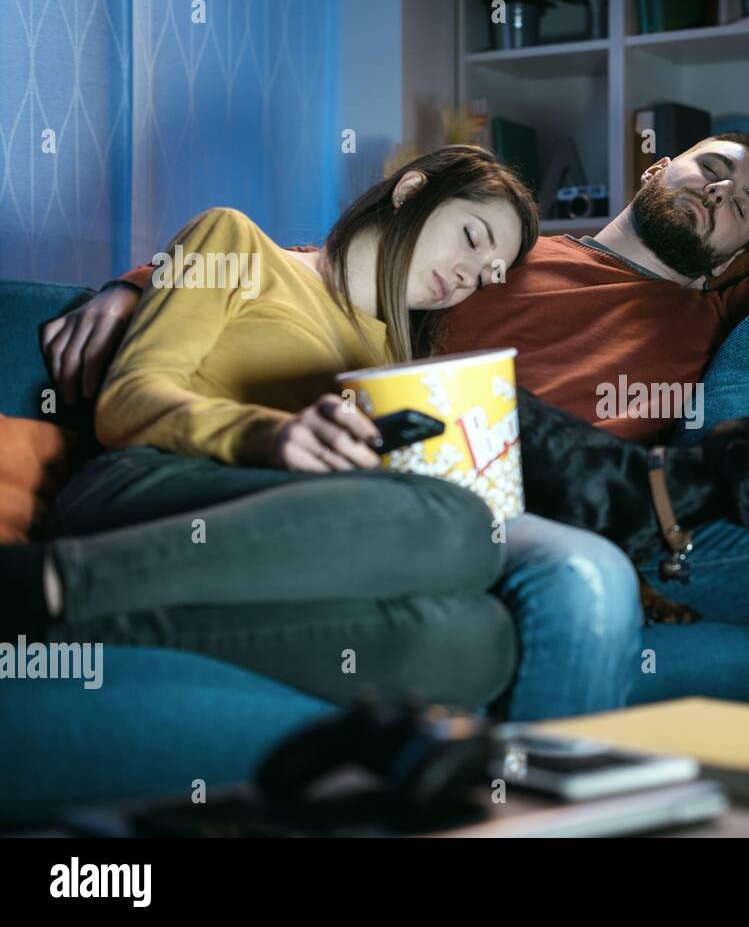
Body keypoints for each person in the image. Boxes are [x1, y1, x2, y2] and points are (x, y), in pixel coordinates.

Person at [37, 132, 749, 721]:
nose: (718, 196)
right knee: (567, 575)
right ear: (652, 166)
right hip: (498, 504)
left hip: (653, 523)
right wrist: (133, 286)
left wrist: (733, 251)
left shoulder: (719, 304)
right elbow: (313, 263)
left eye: (740, 207)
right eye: (708, 170)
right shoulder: (498, 259)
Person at [1, 145, 538, 709]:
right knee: (461, 524)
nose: (464, 276)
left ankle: (64, 633)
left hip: (276, 544)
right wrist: (271, 436)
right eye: (471, 238)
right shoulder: (237, 245)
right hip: (148, 483)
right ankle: (44, 578)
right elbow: (126, 401)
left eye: (484, 276)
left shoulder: (400, 365)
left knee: (477, 641)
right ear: (410, 192)